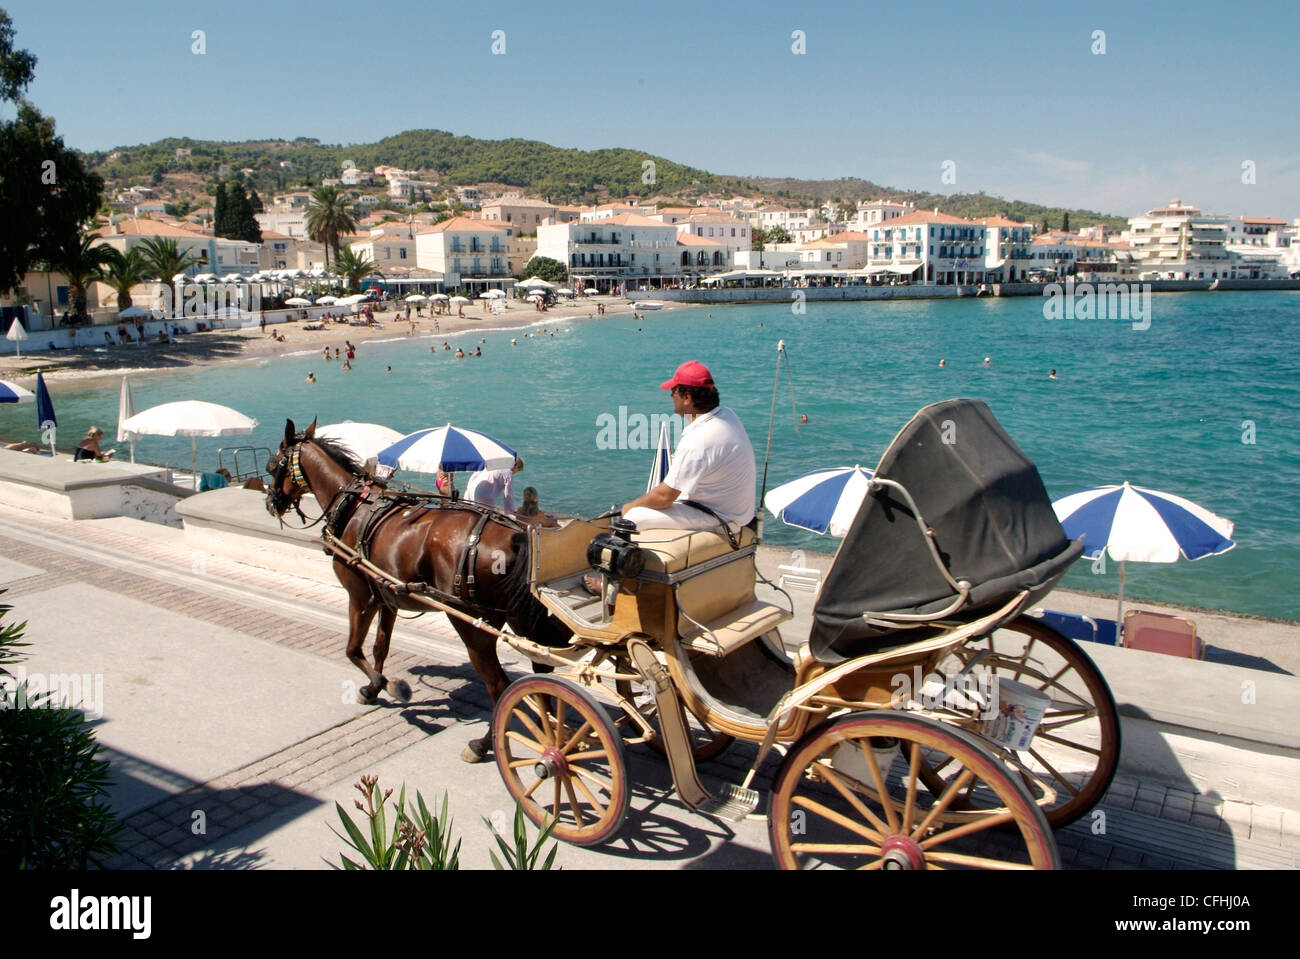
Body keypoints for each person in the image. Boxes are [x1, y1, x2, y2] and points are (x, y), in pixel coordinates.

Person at [620, 361, 755, 533]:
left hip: (720, 517)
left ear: (687, 398)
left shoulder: (699, 440)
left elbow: (664, 497)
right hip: (736, 512)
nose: (671, 396)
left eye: (673, 391)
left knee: (633, 516)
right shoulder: (728, 415)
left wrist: (630, 507)